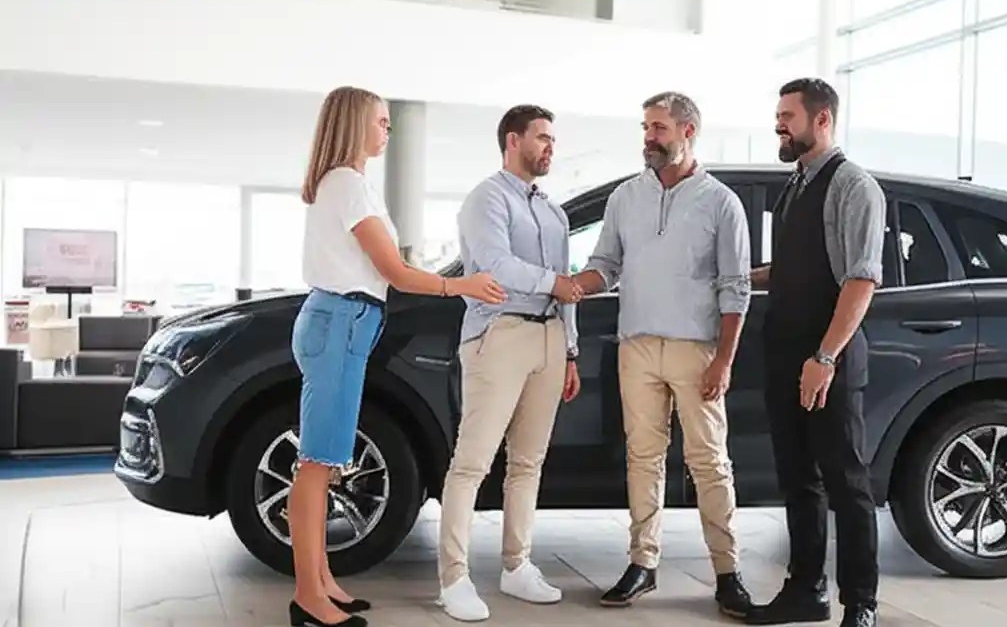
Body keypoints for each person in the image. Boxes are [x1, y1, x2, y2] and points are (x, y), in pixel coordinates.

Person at [288, 86, 506, 627]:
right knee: (317, 465)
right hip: (340, 322)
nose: (389, 130)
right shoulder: (347, 183)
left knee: (326, 460)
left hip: (342, 321)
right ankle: (307, 598)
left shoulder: (344, 184)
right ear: (355, 123)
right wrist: (463, 286)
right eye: (382, 121)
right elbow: (394, 271)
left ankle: (322, 582)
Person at [573, 91, 755, 618]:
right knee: (642, 458)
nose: (649, 138)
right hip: (637, 347)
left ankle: (727, 572)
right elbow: (606, 263)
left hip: (697, 350)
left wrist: (724, 360)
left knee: (709, 463)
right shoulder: (626, 197)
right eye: (646, 128)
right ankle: (642, 563)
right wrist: (570, 285)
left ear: (687, 132)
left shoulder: (721, 202)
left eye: (658, 128)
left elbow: (734, 287)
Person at [435, 104, 584, 622]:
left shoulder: (554, 212)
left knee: (528, 463)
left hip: (547, 340)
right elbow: (496, 263)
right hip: (497, 335)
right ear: (513, 140)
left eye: (552, 139)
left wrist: (569, 350)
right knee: (473, 462)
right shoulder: (486, 198)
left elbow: (565, 286)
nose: (550, 147)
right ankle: (453, 579)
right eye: (542, 138)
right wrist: (554, 285)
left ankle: (516, 566)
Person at [745, 78, 885, 627]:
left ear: (821, 119)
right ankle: (806, 591)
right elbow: (798, 268)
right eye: (778, 114)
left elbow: (860, 280)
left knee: (847, 483)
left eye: (787, 116)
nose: (779, 124)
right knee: (798, 480)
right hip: (785, 353)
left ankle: (861, 604)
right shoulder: (797, 184)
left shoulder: (853, 186)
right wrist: (738, 277)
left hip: (829, 360)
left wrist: (824, 358)